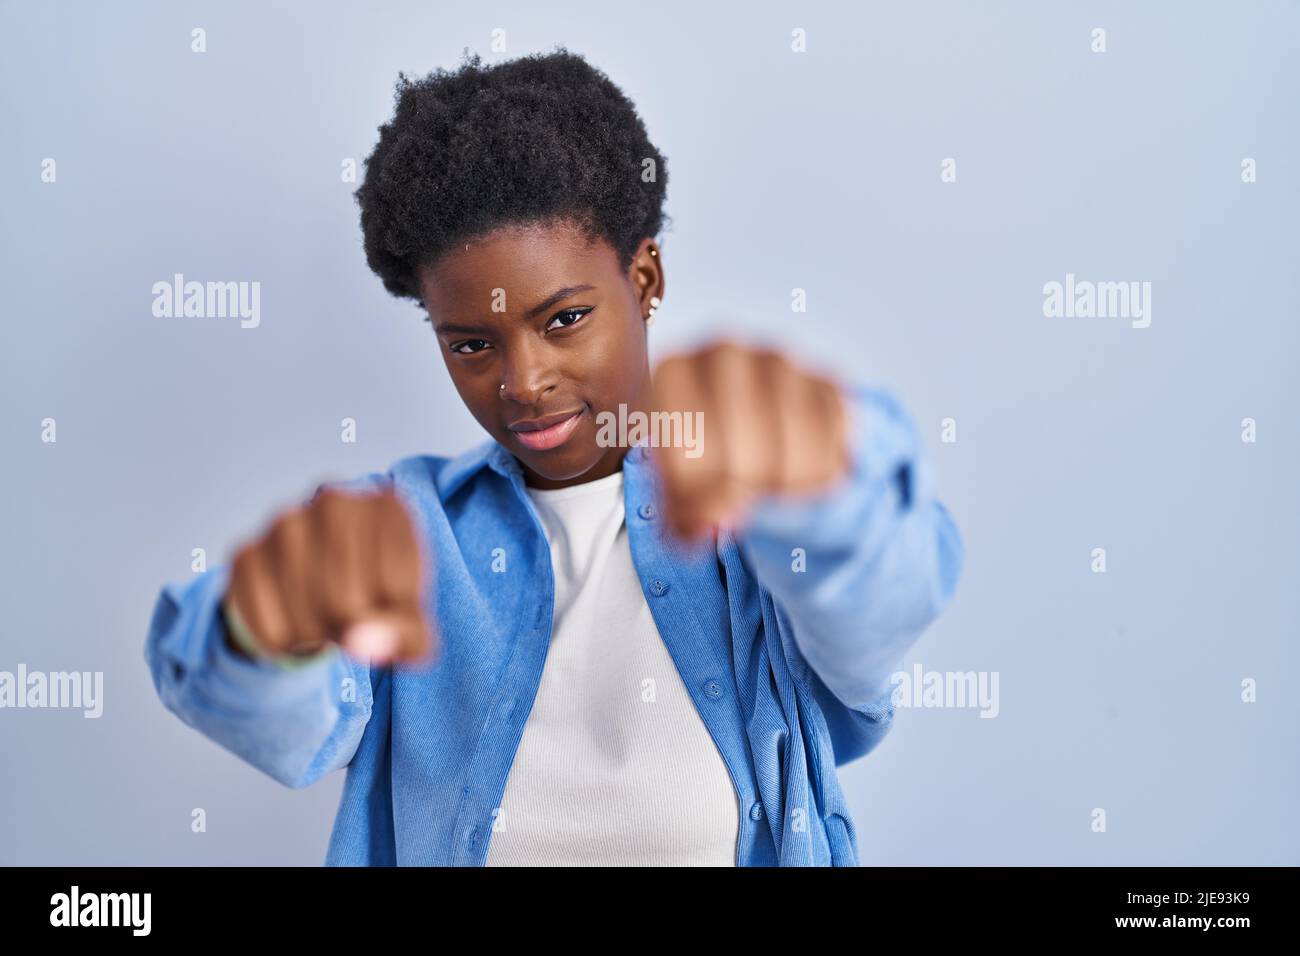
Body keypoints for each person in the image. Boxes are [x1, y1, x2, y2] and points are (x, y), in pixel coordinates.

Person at [143, 47, 964, 866]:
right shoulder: (406, 534)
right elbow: (265, 709)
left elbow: (891, 592)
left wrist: (821, 477)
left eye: (564, 319)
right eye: (471, 343)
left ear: (644, 278)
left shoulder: (753, 530)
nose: (523, 382)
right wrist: (262, 626)